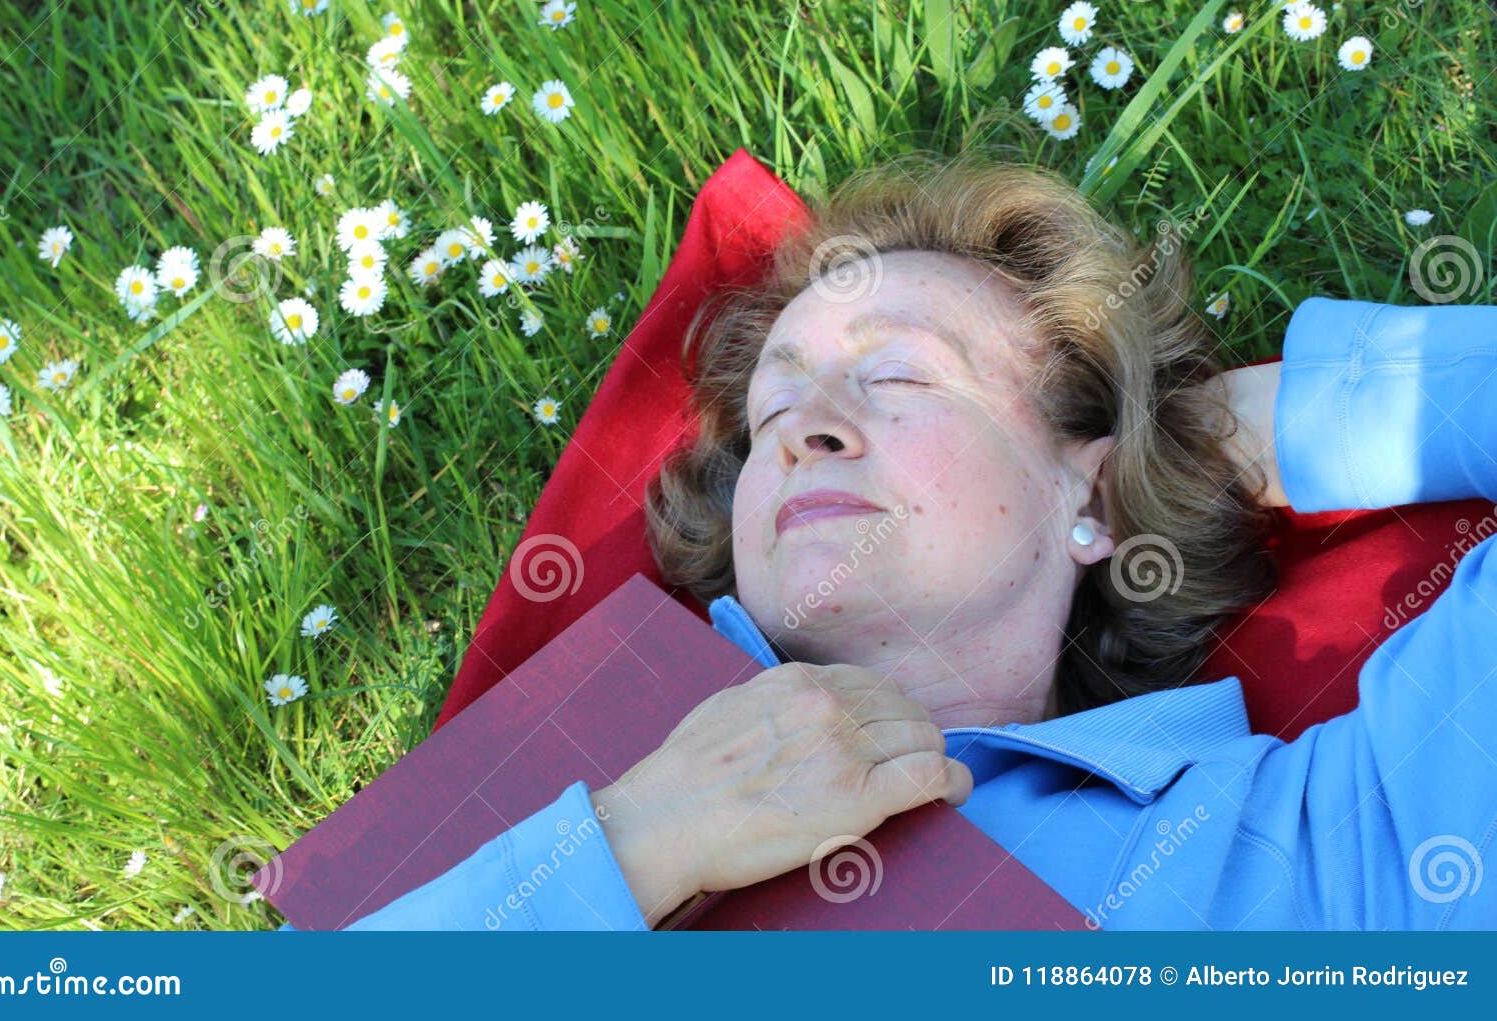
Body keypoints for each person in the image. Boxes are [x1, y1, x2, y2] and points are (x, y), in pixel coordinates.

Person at [282, 154, 1497, 930]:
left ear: (1094, 501)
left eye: (900, 377)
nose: (805, 424)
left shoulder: (1305, 843)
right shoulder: (553, 804)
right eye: (772, 409)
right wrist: (639, 842)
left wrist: (1247, 425)